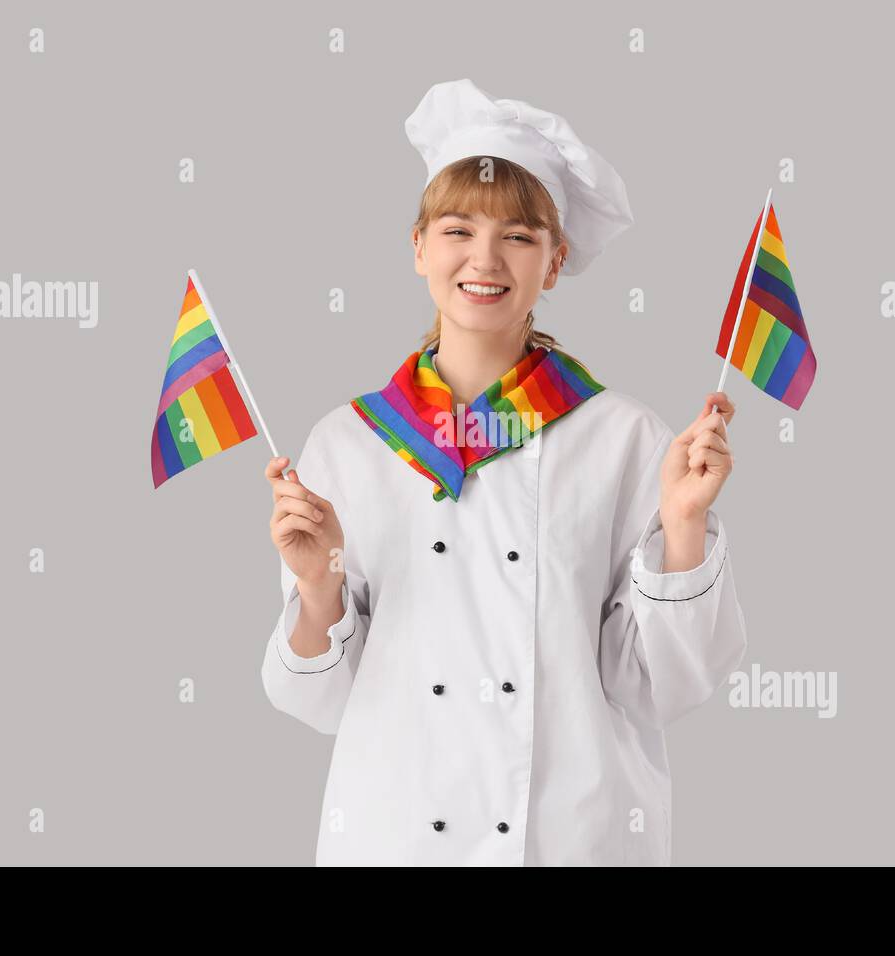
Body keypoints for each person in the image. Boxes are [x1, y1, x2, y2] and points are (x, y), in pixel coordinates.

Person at [261, 78, 747, 866]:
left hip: (575, 836)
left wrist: (684, 528)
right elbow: (319, 701)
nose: (484, 259)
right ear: (418, 247)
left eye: (519, 236)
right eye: (458, 229)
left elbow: (661, 687)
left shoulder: (624, 439)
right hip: (396, 838)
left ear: (554, 263)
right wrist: (319, 588)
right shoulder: (348, 444)